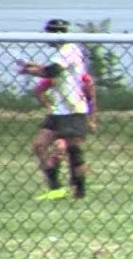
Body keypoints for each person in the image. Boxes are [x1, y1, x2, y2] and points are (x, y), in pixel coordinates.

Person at [17, 19, 93, 200]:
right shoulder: (61, 52)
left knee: (74, 151)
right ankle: (55, 188)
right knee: (39, 145)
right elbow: (51, 68)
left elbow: (52, 71)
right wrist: (30, 65)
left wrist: (29, 71)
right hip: (59, 109)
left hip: (72, 108)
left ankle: (79, 192)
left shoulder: (69, 49)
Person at [31, 69, 96, 200]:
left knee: (71, 151)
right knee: (39, 146)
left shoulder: (83, 77)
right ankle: (56, 187)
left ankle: (79, 189)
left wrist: (92, 119)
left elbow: (91, 98)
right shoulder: (57, 72)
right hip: (56, 116)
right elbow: (39, 89)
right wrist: (48, 105)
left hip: (75, 115)